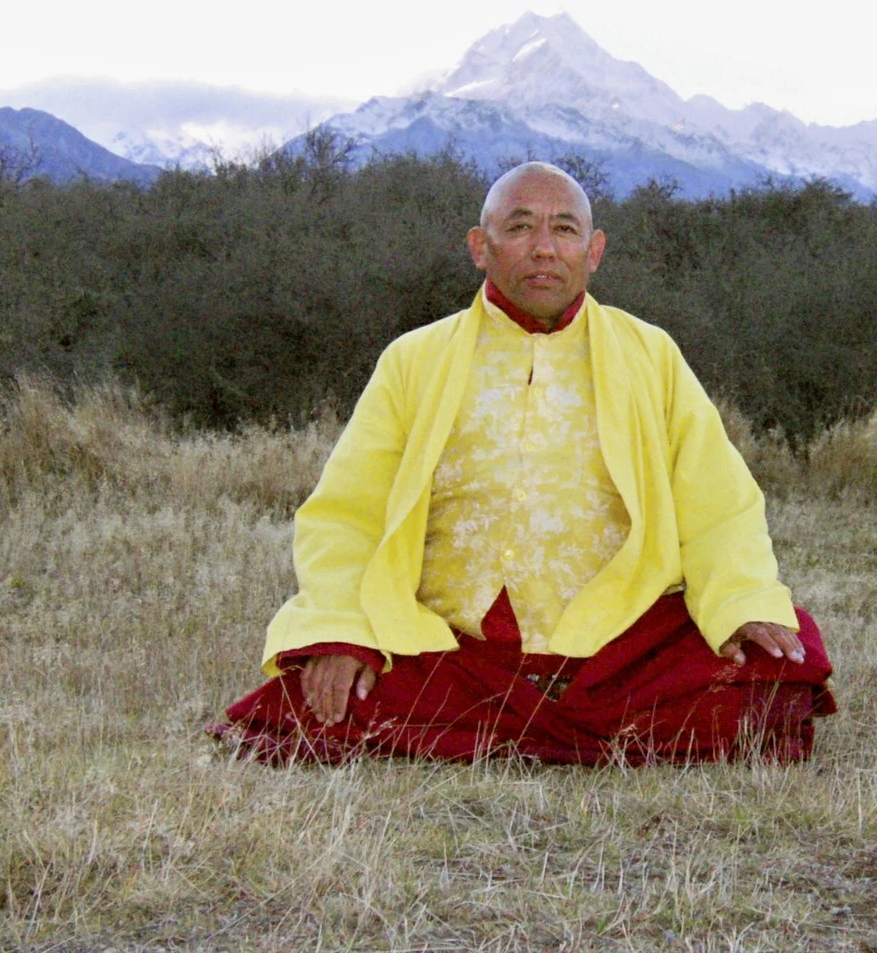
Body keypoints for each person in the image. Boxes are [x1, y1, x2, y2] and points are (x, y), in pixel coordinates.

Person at [214, 162, 835, 765]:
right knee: (300, 705)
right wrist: (343, 633)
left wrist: (742, 604)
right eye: (519, 228)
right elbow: (348, 514)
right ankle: (566, 727)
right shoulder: (414, 359)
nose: (544, 249)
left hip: (616, 650)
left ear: (593, 251)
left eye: (563, 229)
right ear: (479, 246)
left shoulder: (651, 355)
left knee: (782, 667)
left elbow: (717, 503)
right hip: (454, 648)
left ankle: (518, 723)